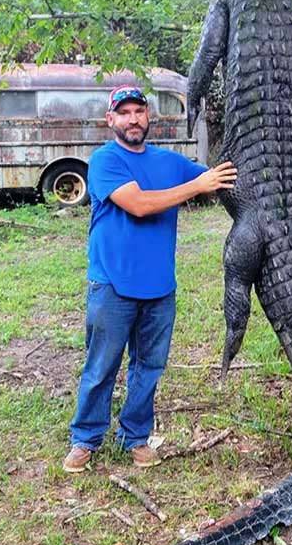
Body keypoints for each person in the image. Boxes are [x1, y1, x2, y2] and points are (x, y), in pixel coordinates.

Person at [63, 84, 237, 472]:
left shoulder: (168, 161)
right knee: (101, 365)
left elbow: (220, 179)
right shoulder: (104, 160)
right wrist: (196, 186)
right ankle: (86, 437)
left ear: (148, 116)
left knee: (149, 366)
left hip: (160, 288)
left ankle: (135, 436)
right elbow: (139, 204)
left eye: (138, 111)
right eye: (123, 113)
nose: (133, 119)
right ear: (111, 120)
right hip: (112, 284)